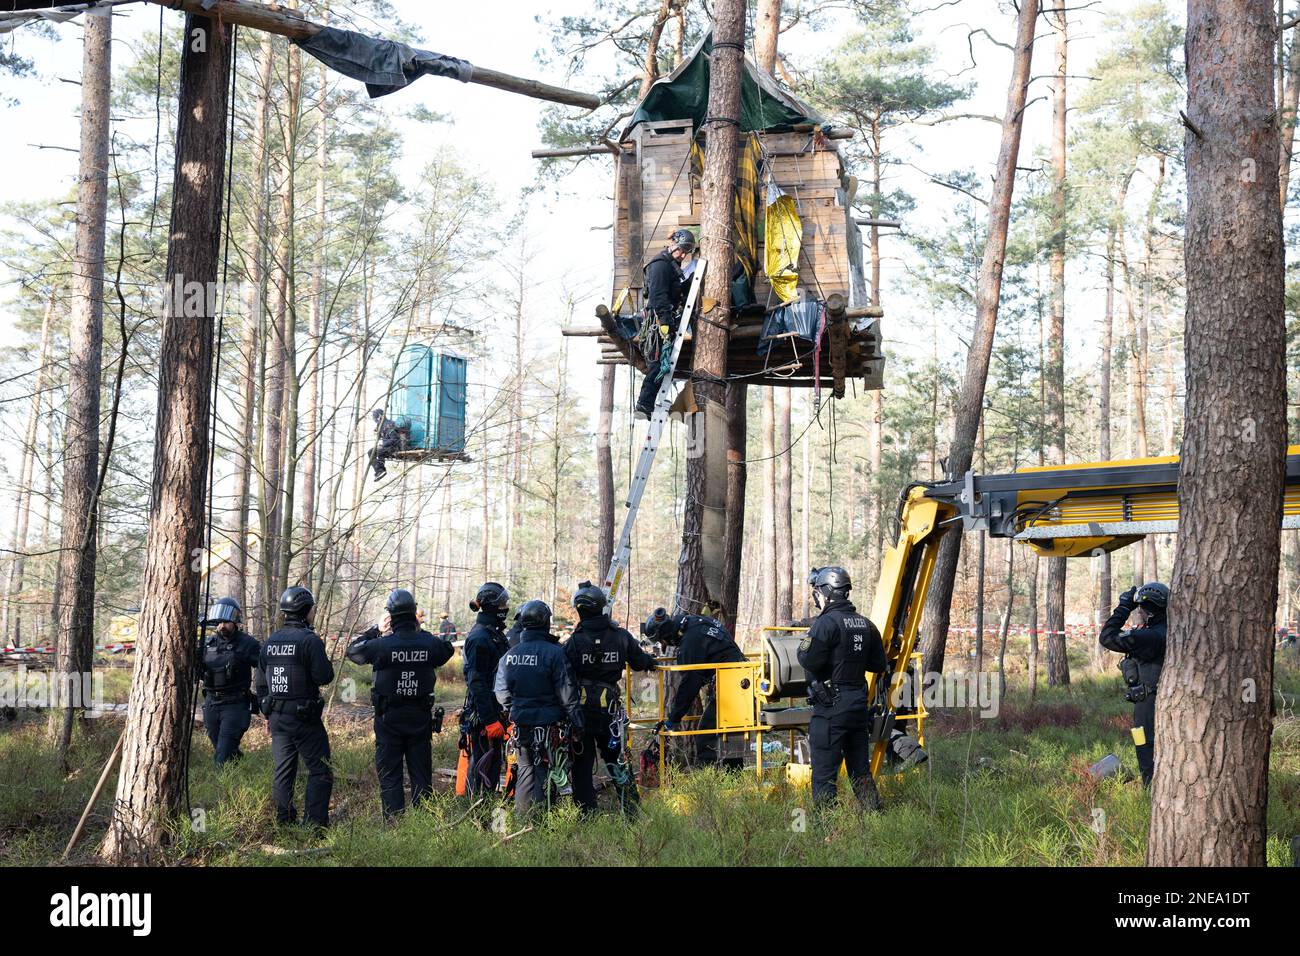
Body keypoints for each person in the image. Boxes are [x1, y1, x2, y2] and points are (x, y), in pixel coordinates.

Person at [347, 589, 455, 818]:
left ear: (391, 616)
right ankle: (423, 828)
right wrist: (418, 631)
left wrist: (376, 630)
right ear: (413, 614)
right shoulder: (428, 643)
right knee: (421, 777)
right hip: (420, 720)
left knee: (390, 777)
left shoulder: (382, 645)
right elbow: (446, 650)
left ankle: (394, 824)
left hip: (389, 720)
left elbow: (353, 651)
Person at [797, 566, 887, 811]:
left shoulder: (825, 623)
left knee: (824, 774)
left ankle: (827, 830)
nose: (816, 597)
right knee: (861, 771)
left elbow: (807, 659)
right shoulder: (866, 624)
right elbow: (878, 663)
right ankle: (874, 819)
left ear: (826, 592)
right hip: (858, 706)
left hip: (831, 708)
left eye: (817, 592)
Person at [564, 581, 657, 813]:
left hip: (581, 714)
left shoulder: (574, 642)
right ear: (601, 606)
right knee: (617, 761)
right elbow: (639, 661)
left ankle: (587, 816)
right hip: (609, 714)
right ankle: (632, 812)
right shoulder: (620, 637)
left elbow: (563, 674)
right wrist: (651, 662)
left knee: (582, 767)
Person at [494, 600, 583, 814]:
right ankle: (543, 825)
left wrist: (516, 708)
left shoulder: (510, 655)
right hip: (550, 726)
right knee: (547, 772)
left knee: (524, 772)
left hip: (522, 725)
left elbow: (501, 693)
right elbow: (567, 693)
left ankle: (523, 821)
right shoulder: (555, 653)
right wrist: (578, 723)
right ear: (546, 623)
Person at [257, 586, 335, 829]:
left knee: (283, 772)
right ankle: (314, 826)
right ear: (305, 611)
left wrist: (267, 712)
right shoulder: (309, 640)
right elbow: (324, 676)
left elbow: (261, 682)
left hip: (278, 719)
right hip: (304, 719)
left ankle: (284, 822)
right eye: (311, 609)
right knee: (321, 771)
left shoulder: (270, 642)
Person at [643, 606, 746, 765]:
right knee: (730, 734)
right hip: (740, 679)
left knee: (706, 735)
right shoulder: (693, 622)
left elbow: (690, 684)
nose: (663, 644)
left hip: (731, 684)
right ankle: (733, 778)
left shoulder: (689, 643)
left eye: (660, 640)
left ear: (666, 634)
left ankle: (708, 781)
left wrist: (674, 718)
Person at [1099, 581, 1168, 787]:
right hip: (1161, 700)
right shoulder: (1169, 630)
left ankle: (1150, 789)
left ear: (1148, 608)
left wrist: (1123, 607)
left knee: (1144, 745)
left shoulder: (1147, 636)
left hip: (1147, 705)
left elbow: (1107, 637)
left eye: (1140, 609)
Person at [634, 229, 695, 419]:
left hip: (664, 317)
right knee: (657, 364)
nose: (683, 255)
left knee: (661, 364)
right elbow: (658, 296)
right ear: (673, 245)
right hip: (658, 320)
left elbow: (674, 292)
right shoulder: (660, 265)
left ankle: (646, 404)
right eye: (681, 250)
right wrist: (665, 322)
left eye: (687, 252)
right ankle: (644, 405)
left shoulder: (671, 266)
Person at [459, 582, 511, 796]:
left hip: (494, 712)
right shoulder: (480, 637)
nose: (506, 607)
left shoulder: (493, 634)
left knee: (492, 764)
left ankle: (484, 809)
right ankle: (476, 814)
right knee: (482, 765)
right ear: (492, 606)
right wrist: (489, 720)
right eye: (503, 604)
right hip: (484, 716)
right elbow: (477, 682)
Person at [197, 597, 261, 766]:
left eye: (226, 622)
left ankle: (221, 789)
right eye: (219, 622)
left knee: (222, 757)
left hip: (235, 705)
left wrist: (264, 698)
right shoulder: (207, 644)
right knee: (222, 748)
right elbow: (197, 671)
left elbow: (265, 668)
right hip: (211, 703)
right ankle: (238, 770)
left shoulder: (248, 644)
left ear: (235, 621)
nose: (222, 626)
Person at [368, 408, 409, 481]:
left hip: (394, 447)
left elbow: (394, 439)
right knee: (370, 452)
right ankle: (378, 470)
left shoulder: (389, 425)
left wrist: (382, 445)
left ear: (380, 416)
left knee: (379, 451)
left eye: (375, 418)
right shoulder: (381, 426)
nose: (375, 421)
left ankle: (381, 470)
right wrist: (378, 433)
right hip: (387, 447)